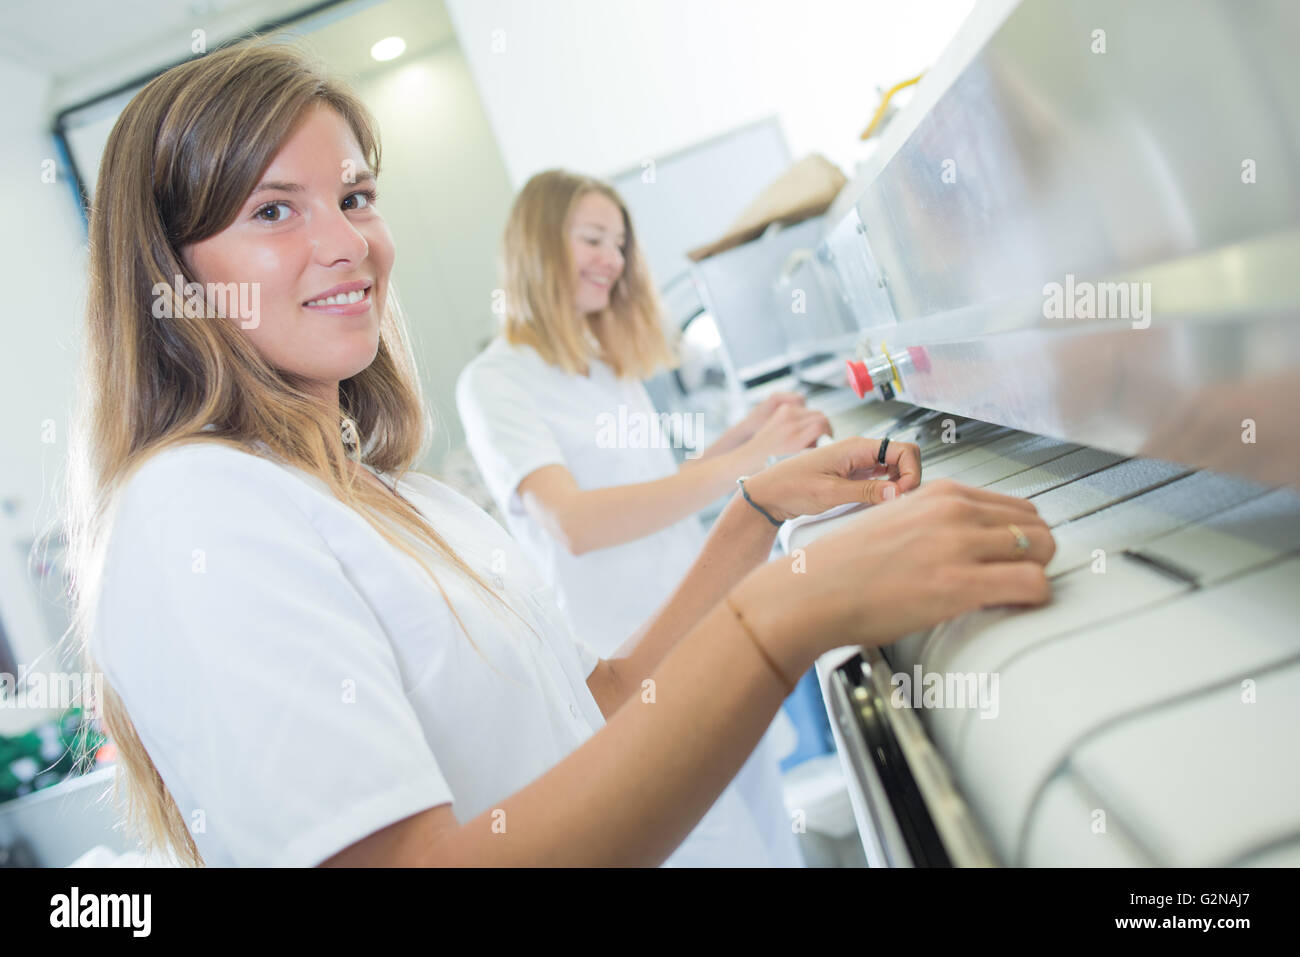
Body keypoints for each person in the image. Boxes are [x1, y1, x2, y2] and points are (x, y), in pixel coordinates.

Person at [67, 38, 1054, 867]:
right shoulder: (191, 509)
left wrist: (755, 513)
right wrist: (784, 614)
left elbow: (602, 701)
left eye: (356, 197)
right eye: (273, 210)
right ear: (170, 275)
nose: (347, 244)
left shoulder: (395, 495)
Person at [456, 170, 841, 866]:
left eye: (621, 244)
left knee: (776, 847)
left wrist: (747, 436)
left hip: (704, 635)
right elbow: (576, 521)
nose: (614, 258)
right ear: (538, 245)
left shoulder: (608, 366)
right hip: (629, 678)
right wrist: (742, 464)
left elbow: (659, 494)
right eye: (594, 239)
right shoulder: (495, 380)